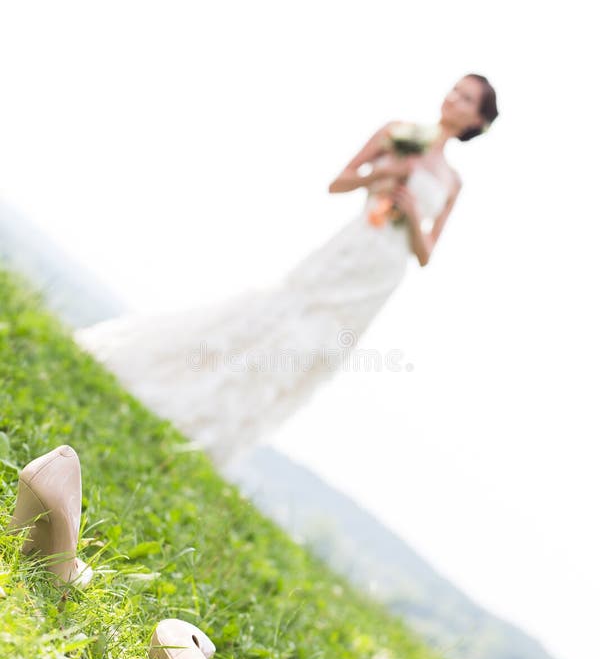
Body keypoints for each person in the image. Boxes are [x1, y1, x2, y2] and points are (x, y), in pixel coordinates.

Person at [73, 73, 499, 470]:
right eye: (454, 89)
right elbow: (340, 182)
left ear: (475, 120)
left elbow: (425, 254)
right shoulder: (398, 132)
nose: (452, 98)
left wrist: (410, 215)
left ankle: (221, 430)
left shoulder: (452, 182)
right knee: (280, 317)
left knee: (312, 351)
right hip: (350, 250)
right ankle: (185, 387)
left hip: (380, 277)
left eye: (465, 98)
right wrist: (384, 175)